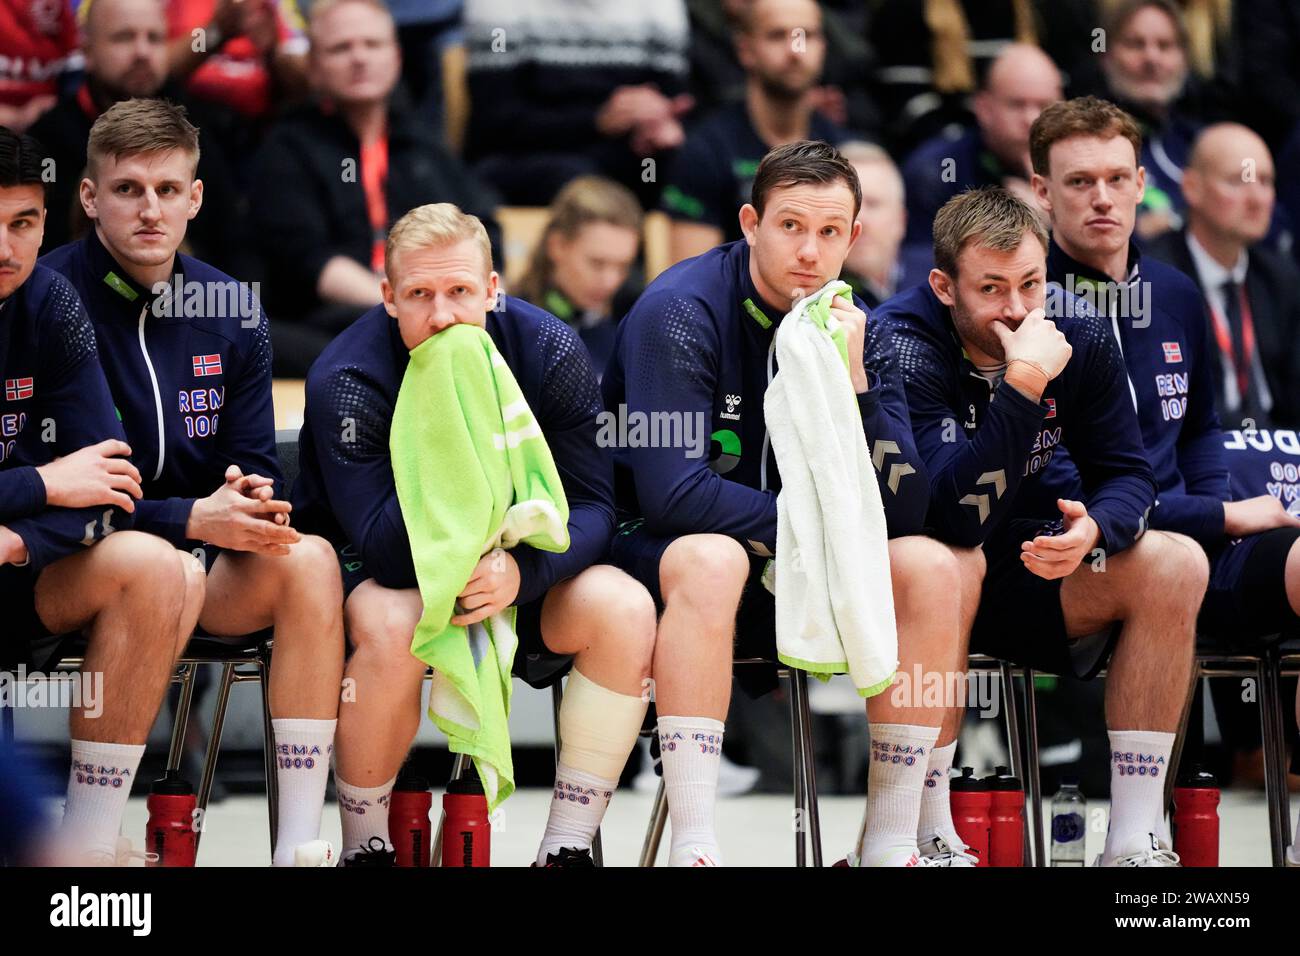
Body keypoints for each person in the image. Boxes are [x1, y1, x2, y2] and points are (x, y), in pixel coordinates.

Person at [604, 140, 987, 867]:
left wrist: (861, 387)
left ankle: (893, 841)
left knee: (933, 567)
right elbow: (672, 493)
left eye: (829, 232)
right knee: (712, 557)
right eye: (789, 227)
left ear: (855, 237)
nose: (809, 251)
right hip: (654, 551)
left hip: (793, 554)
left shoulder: (857, 325)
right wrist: (824, 533)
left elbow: (903, 513)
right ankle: (695, 844)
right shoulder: (677, 313)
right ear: (750, 222)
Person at [292, 203, 656, 867]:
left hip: (514, 570)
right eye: (420, 296)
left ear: (494, 290)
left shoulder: (548, 350)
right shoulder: (348, 378)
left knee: (623, 607)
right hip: (386, 575)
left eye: (461, 292)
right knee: (388, 615)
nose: (442, 318)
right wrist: (477, 549)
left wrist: (525, 575)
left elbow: (596, 508)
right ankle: (366, 844)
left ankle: (566, 847)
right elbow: (381, 544)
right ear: (387, 298)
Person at [40, 98, 346, 867]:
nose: (151, 210)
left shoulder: (231, 306)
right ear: (88, 197)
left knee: (308, 559)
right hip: (74, 561)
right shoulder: (47, 300)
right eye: (128, 189)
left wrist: (249, 498)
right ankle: (87, 841)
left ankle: (297, 845)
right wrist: (191, 520)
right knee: (160, 567)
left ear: (196, 197)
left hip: (194, 556)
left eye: (168, 190)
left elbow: (260, 464)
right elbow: (75, 495)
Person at [879, 184, 1205, 866]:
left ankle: (1133, 839)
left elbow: (1129, 473)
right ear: (944, 285)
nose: (1020, 309)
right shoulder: (902, 346)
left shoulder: (1079, 328)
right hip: (922, 584)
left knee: (1176, 562)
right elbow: (952, 515)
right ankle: (926, 830)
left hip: (1037, 563)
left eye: (1032, 283)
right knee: (951, 564)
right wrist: (1024, 385)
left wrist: (1098, 531)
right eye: (992, 289)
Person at [1031, 97, 1300, 861]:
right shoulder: (1027, 302)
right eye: (1079, 182)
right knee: (1170, 558)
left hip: (1192, 533)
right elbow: (1067, 486)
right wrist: (1217, 520)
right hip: (1089, 549)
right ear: (1043, 193)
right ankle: (1134, 838)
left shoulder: (1177, 293)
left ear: (1144, 182)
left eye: (1118, 178)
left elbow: (1202, 428)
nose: (1103, 198)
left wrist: (1215, 513)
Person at [0, 124, 204, 865]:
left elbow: (110, 489)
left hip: (21, 569)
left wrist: (20, 537)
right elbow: (68, 482)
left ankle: (87, 844)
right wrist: (40, 484)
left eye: (23, 223)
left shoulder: (51, 303)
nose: (6, 248)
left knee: (153, 564)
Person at [250, 0, 500, 375]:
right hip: (329, 324)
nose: (359, 58)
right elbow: (304, 260)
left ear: (396, 57)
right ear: (314, 67)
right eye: (341, 48)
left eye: (372, 44)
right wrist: (404, 306)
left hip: (435, 313)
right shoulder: (287, 147)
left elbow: (482, 227)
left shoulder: (423, 144)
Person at [28, 0, 248, 272]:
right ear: (87, 51)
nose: (142, 52)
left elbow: (236, 243)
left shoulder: (198, 126)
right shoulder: (48, 140)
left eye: (154, 38)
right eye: (124, 37)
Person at [1145, 123, 1300, 430]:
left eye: (1265, 182)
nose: (1256, 198)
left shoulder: (1281, 277)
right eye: (1237, 181)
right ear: (1191, 188)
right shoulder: (1154, 280)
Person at [462, 0, 692, 207]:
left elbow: (671, 100)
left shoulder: (661, 6)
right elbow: (495, 123)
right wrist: (596, 121)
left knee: (676, 168)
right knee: (581, 183)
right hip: (520, 158)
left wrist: (661, 126)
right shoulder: (499, 7)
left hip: (631, 156)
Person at [899, 42, 1062, 246]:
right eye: (1016, 104)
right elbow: (920, 268)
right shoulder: (936, 172)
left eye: (1044, 105)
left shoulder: (1082, 170)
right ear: (983, 107)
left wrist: (1057, 223)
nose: (1031, 119)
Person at [512, 175, 642, 378]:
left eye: (623, 267)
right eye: (597, 263)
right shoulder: (513, 329)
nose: (610, 282)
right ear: (557, 246)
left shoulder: (629, 325)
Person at [838, 141, 932, 309]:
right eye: (847, 205)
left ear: (901, 220)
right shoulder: (813, 295)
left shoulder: (943, 277)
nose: (859, 220)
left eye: (873, 204)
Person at [0, 0, 81, 132]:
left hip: (50, 129)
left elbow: (80, 71)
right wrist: (17, 118)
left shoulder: (69, 9)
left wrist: (59, 109)